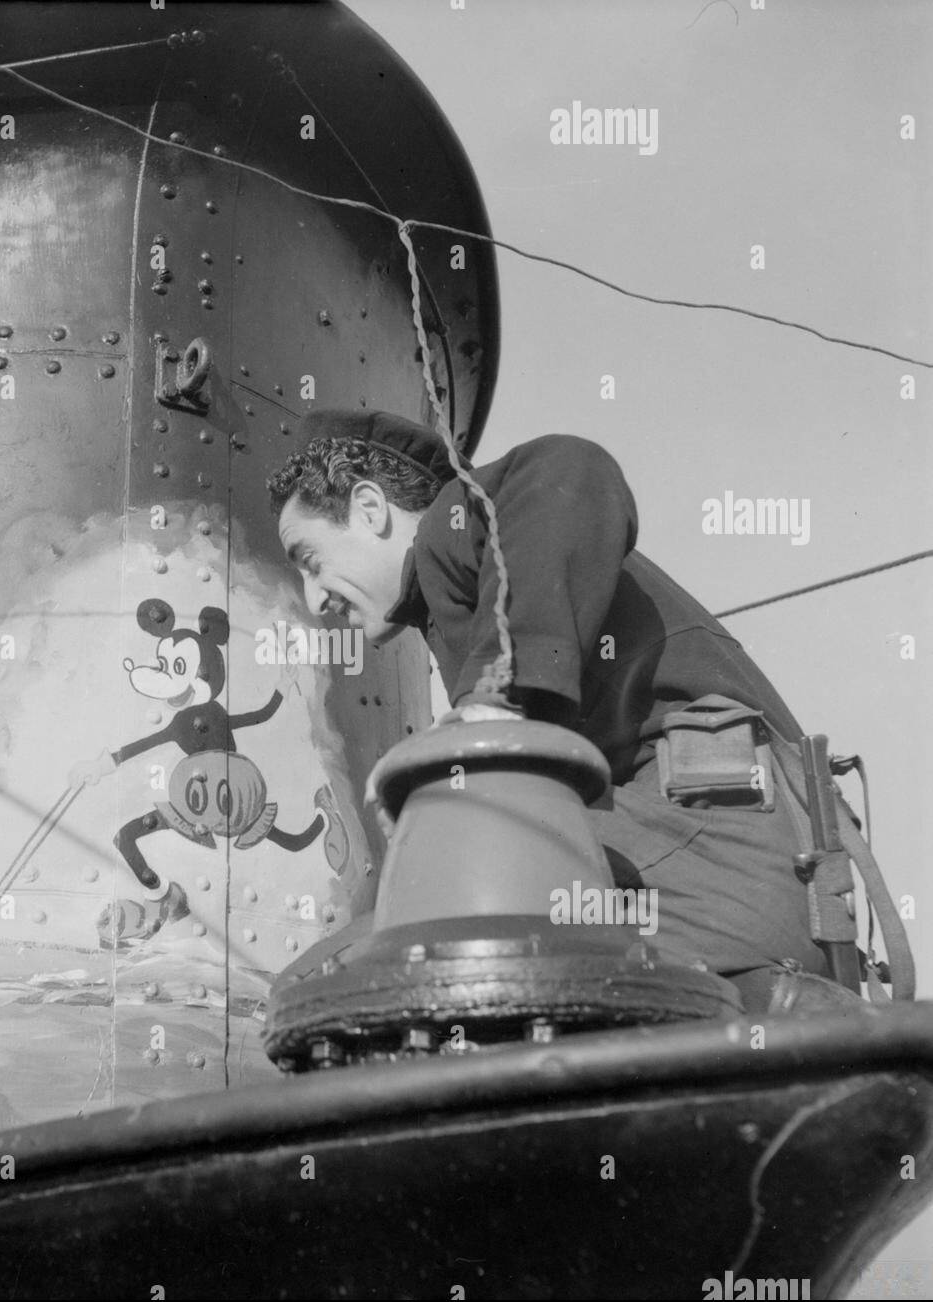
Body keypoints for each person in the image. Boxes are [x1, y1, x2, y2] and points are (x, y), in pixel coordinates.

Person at [266, 407, 867, 1014]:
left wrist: (495, 698)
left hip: (718, 846)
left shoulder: (449, 533)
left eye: (310, 561)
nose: (314, 599)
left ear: (370, 508)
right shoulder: (461, 592)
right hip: (749, 864)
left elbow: (571, 469)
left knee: (351, 980)